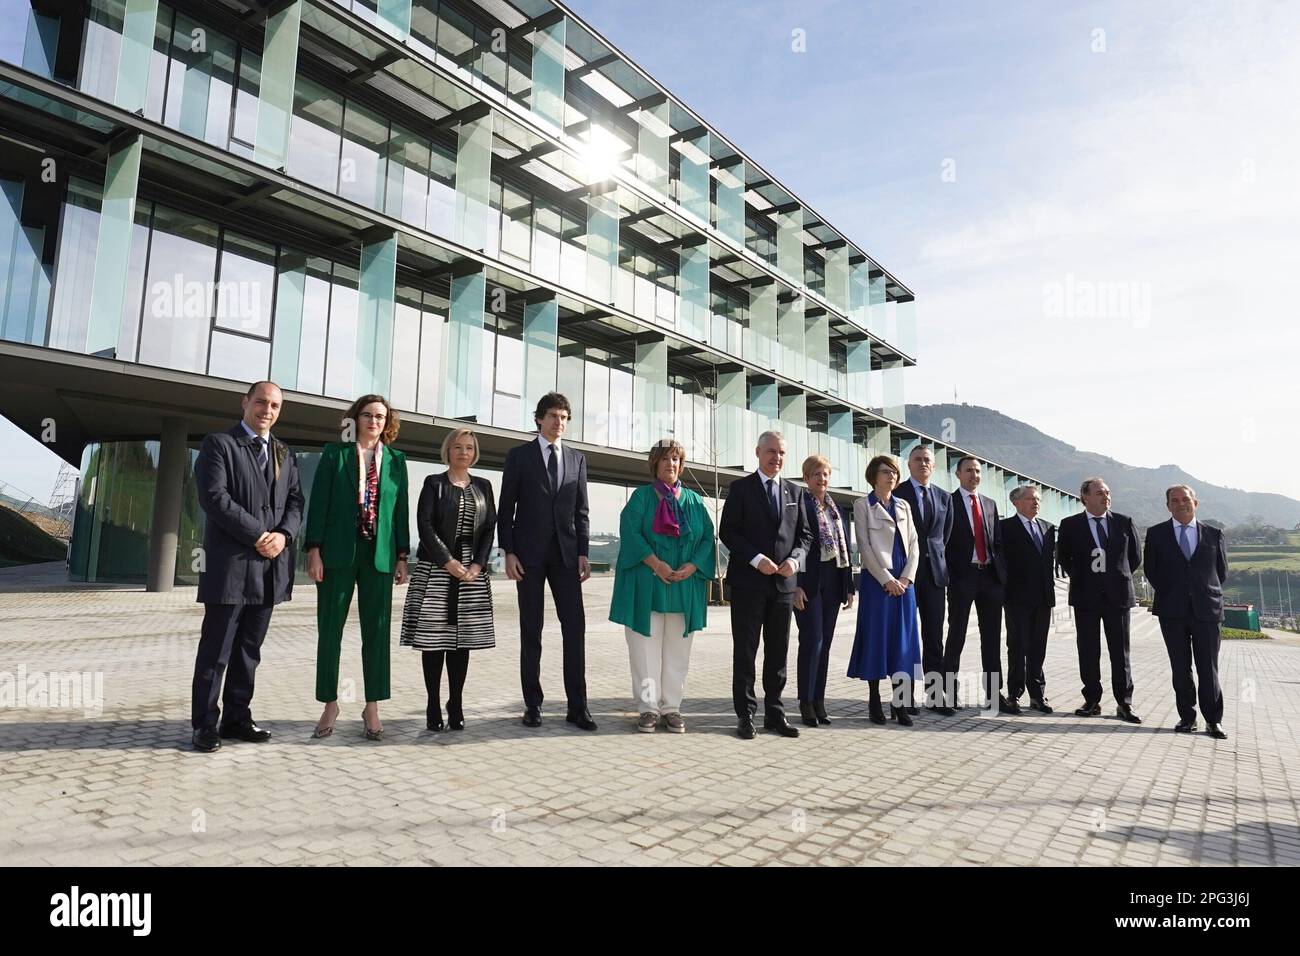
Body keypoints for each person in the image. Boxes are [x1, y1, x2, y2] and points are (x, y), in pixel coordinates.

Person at [191, 381, 303, 752]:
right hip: (231, 566)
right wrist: (259, 534)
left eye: (274, 406)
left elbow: (295, 502)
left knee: (248, 651)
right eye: (261, 402)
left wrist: (284, 536)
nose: (267, 410)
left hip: (271, 568)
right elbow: (214, 498)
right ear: (245, 403)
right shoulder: (218, 445)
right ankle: (205, 724)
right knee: (217, 650)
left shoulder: (285, 453)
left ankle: (237, 718)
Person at [304, 395, 410, 741]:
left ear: (387, 422)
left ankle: (372, 706)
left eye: (381, 416)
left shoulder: (396, 460)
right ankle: (330, 703)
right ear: (356, 418)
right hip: (337, 554)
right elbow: (318, 503)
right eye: (368, 415)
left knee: (376, 635)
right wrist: (314, 550)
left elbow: (400, 513)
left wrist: (402, 557)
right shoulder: (335, 455)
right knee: (329, 630)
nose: (374, 421)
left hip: (378, 556)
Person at [499, 392, 595, 731]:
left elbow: (581, 511)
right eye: (554, 415)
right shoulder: (519, 457)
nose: (560, 422)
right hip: (528, 557)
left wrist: (583, 551)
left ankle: (577, 706)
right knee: (531, 630)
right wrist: (508, 552)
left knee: (575, 630)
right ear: (539, 419)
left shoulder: (577, 459)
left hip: (567, 558)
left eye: (565, 417)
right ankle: (533, 705)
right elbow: (505, 510)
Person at [609, 439, 716, 733]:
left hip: (684, 587)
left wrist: (693, 566)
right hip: (646, 585)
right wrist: (656, 564)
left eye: (676, 459)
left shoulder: (694, 501)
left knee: (678, 654)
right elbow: (630, 533)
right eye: (666, 459)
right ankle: (647, 708)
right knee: (644, 653)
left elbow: (708, 538)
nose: (672, 464)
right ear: (655, 463)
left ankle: (671, 708)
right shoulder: (642, 498)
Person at [400, 428, 496, 732]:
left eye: (469, 447)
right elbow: (425, 526)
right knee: (435, 642)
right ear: (448, 451)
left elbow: (490, 527)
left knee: (461, 643)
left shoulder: (484, 486)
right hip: (437, 571)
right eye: (457, 447)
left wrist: (479, 564)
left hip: (471, 575)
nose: (463, 452)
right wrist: (448, 561)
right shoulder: (434, 484)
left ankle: (456, 702)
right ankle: (432, 703)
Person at [719, 431, 812, 739]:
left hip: (783, 587)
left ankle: (775, 713)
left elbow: (805, 537)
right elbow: (728, 532)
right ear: (758, 452)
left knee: (778, 653)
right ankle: (745, 714)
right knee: (745, 653)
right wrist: (756, 558)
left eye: (782, 452)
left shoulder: (795, 493)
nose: (777, 457)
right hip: (748, 584)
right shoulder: (740, 488)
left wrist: (796, 561)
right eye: (771, 451)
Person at [1144, 485, 1229, 739]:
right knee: (1180, 667)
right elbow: (1152, 570)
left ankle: (1213, 720)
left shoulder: (1214, 534)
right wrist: (1174, 592)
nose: (1181, 503)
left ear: (1196, 503)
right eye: (1175, 500)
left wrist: (1201, 592)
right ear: (1168, 505)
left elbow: (1221, 572)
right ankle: (1187, 717)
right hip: (1172, 611)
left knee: (1208, 667)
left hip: (1207, 610)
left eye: (1186, 499)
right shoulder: (1156, 534)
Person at [1056, 477, 1142, 723]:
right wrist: (1087, 578)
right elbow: (1064, 558)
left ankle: (1124, 703)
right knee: (1088, 650)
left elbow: (1134, 557)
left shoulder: (1124, 522)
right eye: (1099, 493)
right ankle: (1092, 700)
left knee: (1120, 652)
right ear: (1085, 497)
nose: (1106, 496)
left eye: (1107, 492)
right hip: (1086, 597)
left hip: (1118, 596)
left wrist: (1114, 577)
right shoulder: (1070, 525)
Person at [847, 455, 921, 725]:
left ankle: (900, 703)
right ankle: (874, 700)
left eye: (894, 472)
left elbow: (914, 544)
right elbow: (865, 547)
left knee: (903, 642)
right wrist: (886, 579)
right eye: (885, 472)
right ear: (873, 476)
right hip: (878, 582)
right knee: (877, 639)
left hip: (904, 582)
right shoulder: (862, 505)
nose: (891, 476)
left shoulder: (904, 505)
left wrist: (906, 579)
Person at [941, 455, 1009, 714]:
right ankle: (948, 692)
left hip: (990, 578)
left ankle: (994, 695)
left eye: (978, 471)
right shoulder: (948, 502)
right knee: (956, 635)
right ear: (957, 474)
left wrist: (1001, 574)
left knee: (991, 639)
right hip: (961, 578)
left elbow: (998, 543)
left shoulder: (990, 504)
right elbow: (942, 541)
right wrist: (950, 573)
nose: (974, 475)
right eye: (968, 470)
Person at [793, 454, 854, 727]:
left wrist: (849, 586)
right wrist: (794, 585)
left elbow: (847, 549)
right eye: (816, 474)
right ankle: (805, 700)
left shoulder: (835, 509)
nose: (822, 479)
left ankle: (819, 699)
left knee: (826, 644)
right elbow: (794, 547)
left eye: (825, 474)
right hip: (808, 581)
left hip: (833, 579)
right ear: (807, 478)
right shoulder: (799, 505)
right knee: (812, 640)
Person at [893, 445, 953, 711]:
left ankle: (935, 697)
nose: (922, 464)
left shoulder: (944, 497)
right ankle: (903, 698)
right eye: (917, 459)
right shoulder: (898, 494)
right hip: (906, 576)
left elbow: (943, 537)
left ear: (934, 466)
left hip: (935, 577)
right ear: (909, 465)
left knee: (934, 637)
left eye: (927, 460)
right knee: (905, 637)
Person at [1001, 485, 1057, 714]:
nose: (1035, 502)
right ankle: (1014, 694)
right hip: (1016, 597)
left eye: (1037, 499)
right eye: (1030, 498)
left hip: (1043, 598)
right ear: (1016, 502)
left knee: (1038, 648)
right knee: (1017, 646)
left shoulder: (1047, 528)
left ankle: (1037, 694)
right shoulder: (1005, 528)